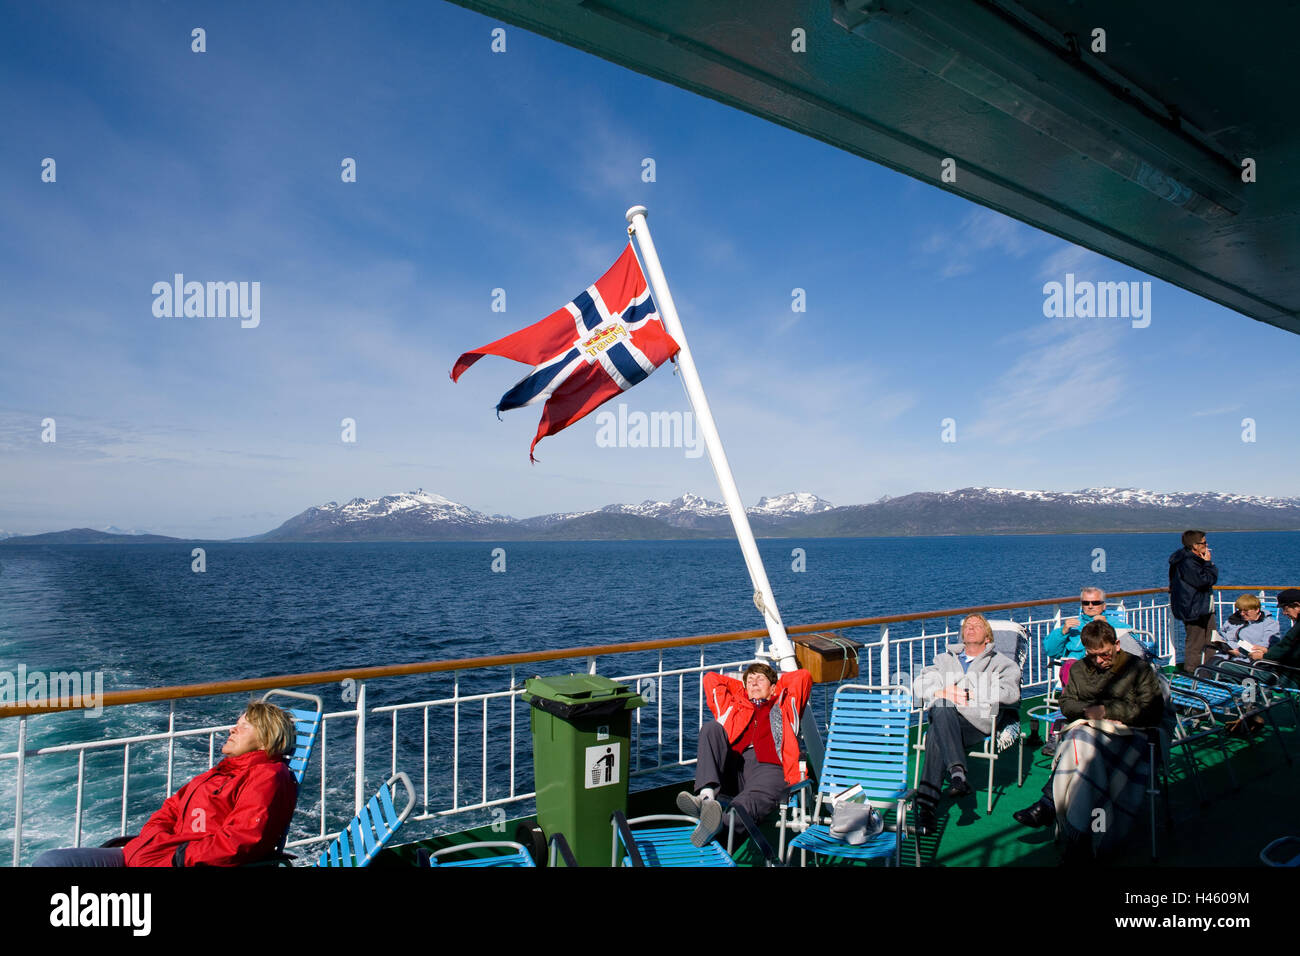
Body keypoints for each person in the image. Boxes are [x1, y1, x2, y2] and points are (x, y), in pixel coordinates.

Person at [33, 700, 299, 867]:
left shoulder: (267, 777)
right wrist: (153, 840)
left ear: (266, 739)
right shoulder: (223, 771)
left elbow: (239, 841)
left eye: (244, 726)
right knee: (53, 860)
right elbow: (172, 807)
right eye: (235, 724)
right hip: (149, 854)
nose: (232, 730)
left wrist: (175, 858)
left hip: (178, 862)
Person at [1013, 619, 1163, 841]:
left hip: (1131, 734)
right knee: (1085, 755)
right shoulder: (1079, 670)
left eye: (1105, 654)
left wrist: (1106, 711)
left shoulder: (1137, 669)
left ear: (1117, 645)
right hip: (1092, 735)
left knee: (1079, 743)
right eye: (1093, 655)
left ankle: (1048, 804)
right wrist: (1088, 710)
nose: (1100, 660)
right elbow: (1066, 704)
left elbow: (1152, 709)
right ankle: (1088, 840)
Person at [676, 662, 812, 847]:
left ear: (774, 687)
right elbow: (711, 679)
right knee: (711, 728)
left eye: (760, 679)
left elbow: (803, 676)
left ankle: (720, 827)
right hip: (734, 766)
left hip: (769, 766)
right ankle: (706, 797)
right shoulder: (734, 706)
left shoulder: (785, 705)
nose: (754, 682)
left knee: (749, 801)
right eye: (750, 680)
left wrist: (772, 689)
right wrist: (744, 690)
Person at [912, 613, 1020, 835]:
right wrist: (941, 691)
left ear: (987, 636)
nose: (970, 628)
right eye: (967, 626)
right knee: (941, 707)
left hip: (977, 722)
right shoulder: (945, 659)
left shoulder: (1001, 663)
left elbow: (1010, 693)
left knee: (935, 731)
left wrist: (970, 692)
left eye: (976, 626)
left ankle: (925, 807)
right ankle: (957, 773)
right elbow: (919, 684)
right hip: (948, 717)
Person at [1168, 530, 1219, 674]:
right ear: (1194, 545)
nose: (1206, 545)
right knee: (1195, 642)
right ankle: (1192, 672)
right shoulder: (1187, 562)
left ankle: (1208, 670)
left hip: (1202, 606)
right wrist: (1208, 564)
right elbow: (1204, 580)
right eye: (1203, 543)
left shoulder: (1191, 560)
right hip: (1193, 607)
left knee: (1211, 639)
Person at [1213, 593, 1280, 659]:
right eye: (1240, 610)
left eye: (1246, 611)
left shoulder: (1270, 624)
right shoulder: (1234, 620)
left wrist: (1240, 651)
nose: (1242, 614)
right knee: (1209, 665)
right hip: (1226, 654)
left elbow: (1266, 645)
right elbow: (1222, 635)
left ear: (1256, 610)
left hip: (1248, 659)